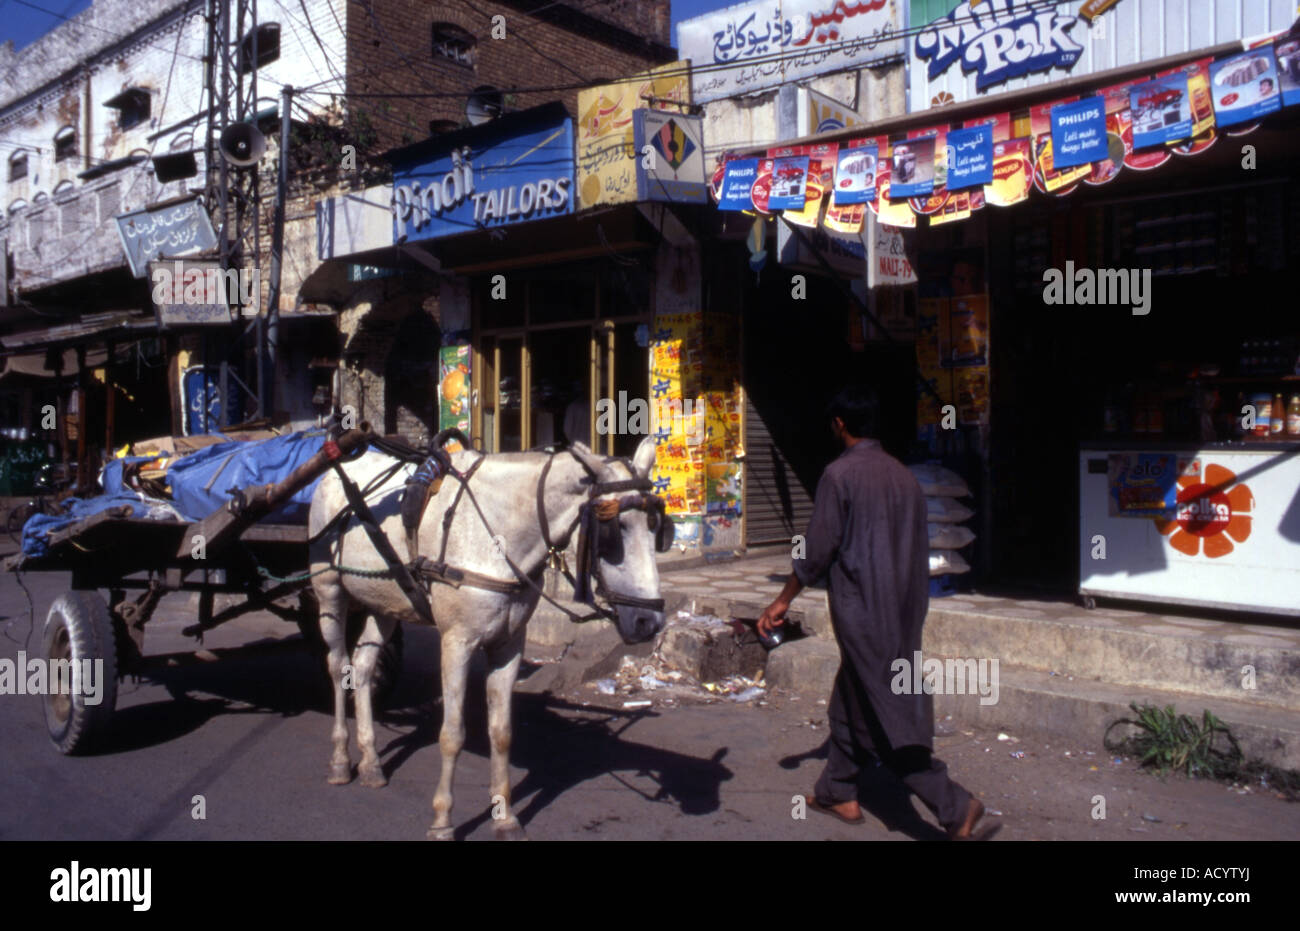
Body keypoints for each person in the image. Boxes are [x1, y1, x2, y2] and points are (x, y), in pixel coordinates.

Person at [757, 385, 994, 841]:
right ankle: (838, 790)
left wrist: (783, 598)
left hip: (863, 609)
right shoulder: (902, 476)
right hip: (904, 607)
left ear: (839, 424)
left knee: (886, 710)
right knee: (854, 694)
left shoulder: (839, 476)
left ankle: (954, 806)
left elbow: (816, 550)